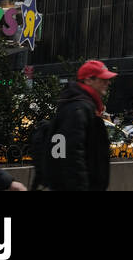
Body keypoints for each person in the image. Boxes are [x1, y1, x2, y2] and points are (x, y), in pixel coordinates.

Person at [48, 59, 117, 191]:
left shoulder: (81, 106)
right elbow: (72, 155)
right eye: (102, 79)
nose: (108, 83)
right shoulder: (79, 109)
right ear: (88, 80)